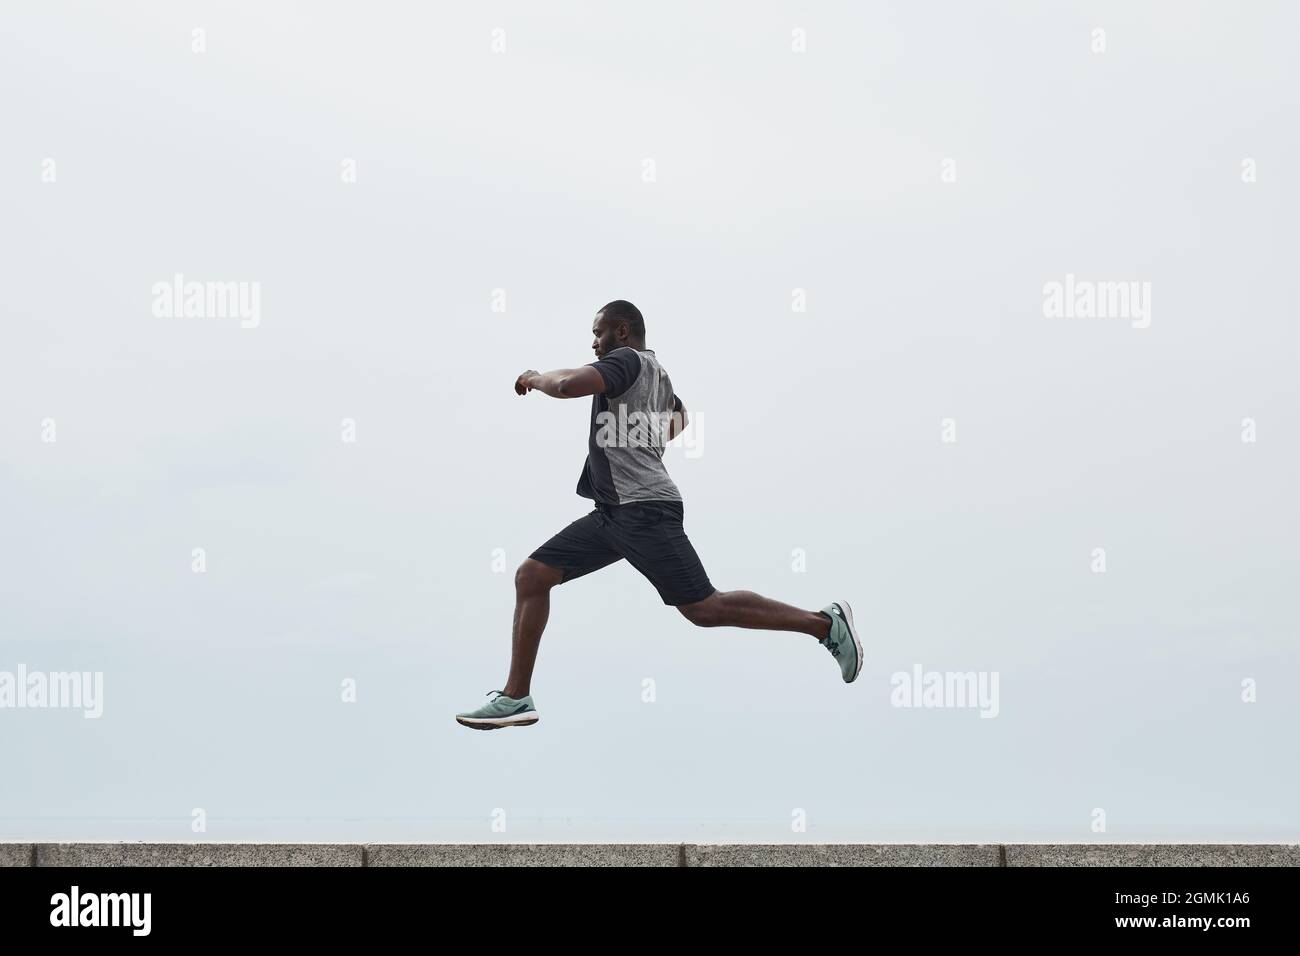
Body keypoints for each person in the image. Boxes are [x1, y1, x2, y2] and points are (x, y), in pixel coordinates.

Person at [456, 300, 861, 729]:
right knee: (532, 575)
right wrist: (639, 444)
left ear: (623, 332)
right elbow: (680, 418)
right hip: (614, 514)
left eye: (599, 333)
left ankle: (824, 624)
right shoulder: (658, 374)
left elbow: (569, 386)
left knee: (704, 607)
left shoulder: (624, 360)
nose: (595, 343)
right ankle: (516, 697)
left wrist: (537, 378)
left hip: (643, 510)